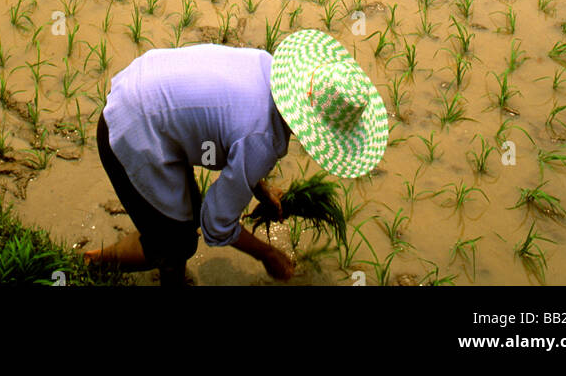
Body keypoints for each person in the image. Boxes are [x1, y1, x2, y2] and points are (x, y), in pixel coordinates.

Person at [84, 29, 388, 286]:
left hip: (141, 91)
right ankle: (92, 264)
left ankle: (139, 243)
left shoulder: (263, 64)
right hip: (131, 131)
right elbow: (216, 224)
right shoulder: (262, 141)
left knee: (179, 217)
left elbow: (229, 131)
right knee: (178, 244)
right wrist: (266, 254)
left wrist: (260, 189)